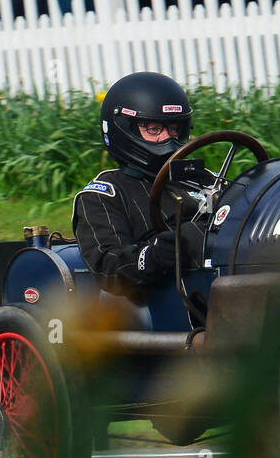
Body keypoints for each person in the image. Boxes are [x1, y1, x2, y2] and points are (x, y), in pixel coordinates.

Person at [73, 71, 204, 302]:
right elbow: (108, 263)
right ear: (126, 129)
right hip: (160, 305)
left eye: (173, 129)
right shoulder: (104, 194)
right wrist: (153, 256)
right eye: (154, 129)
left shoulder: (203, 179)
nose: (167, 138)